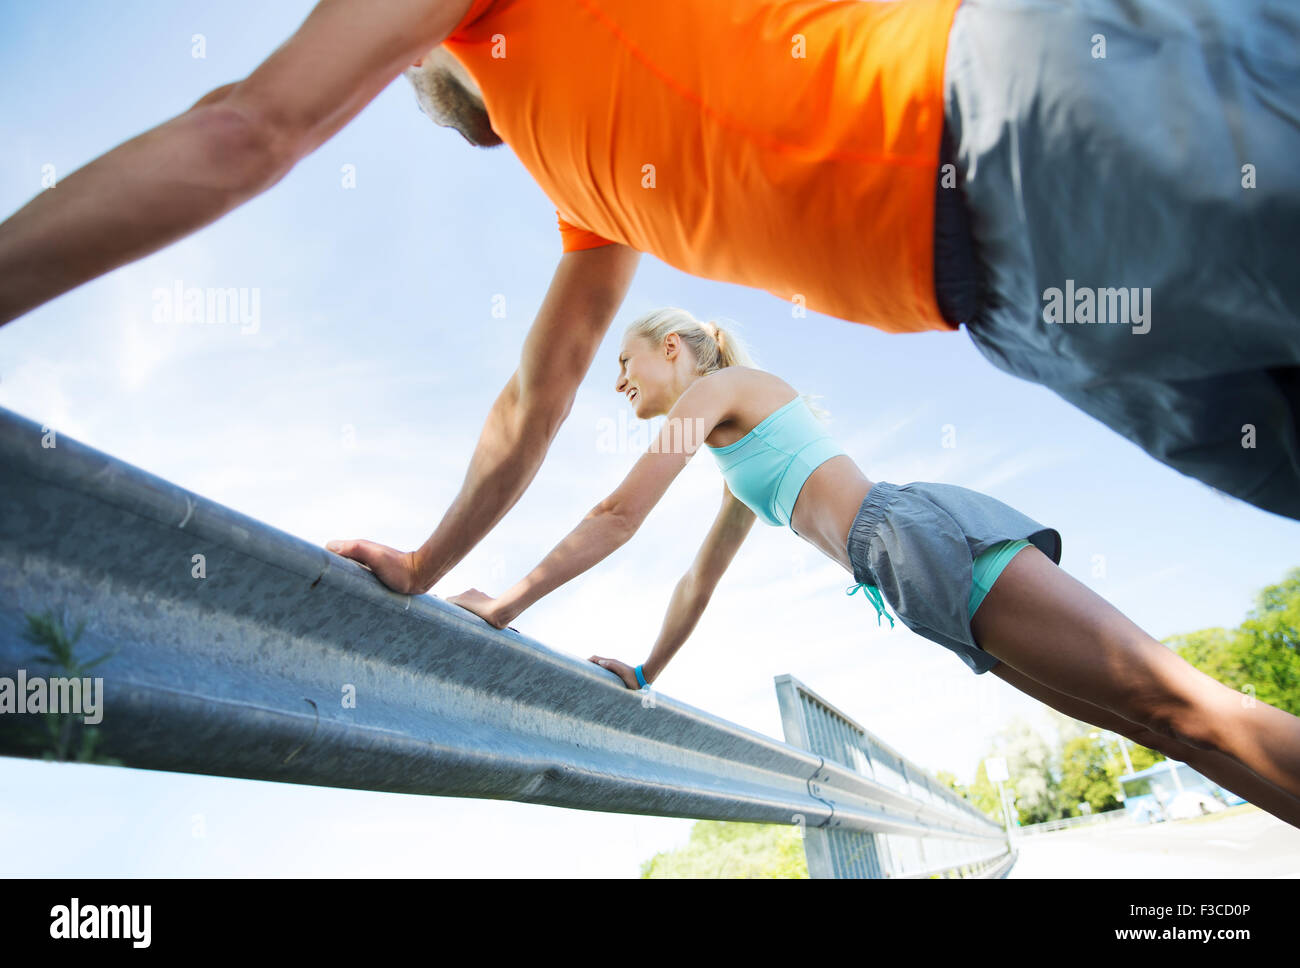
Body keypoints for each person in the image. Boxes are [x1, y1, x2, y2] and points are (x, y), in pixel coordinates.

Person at [1, 0, 1296, 608]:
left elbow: (249, 130)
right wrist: (430, 564)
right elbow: (536, 397)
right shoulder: (589, 199)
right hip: (1018, 308)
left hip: (1012, 116)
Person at [442, 308, 1300, 829]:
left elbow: (617, 514)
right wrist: (643, 669)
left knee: (1188, 706)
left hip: (913, 537)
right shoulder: (740, 462)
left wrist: (508, 602)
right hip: (905, 571)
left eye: (623, 365)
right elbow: (696, 582)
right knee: (1157, 727)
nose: (618, 385)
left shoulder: (724, 390)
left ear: (675, 348)